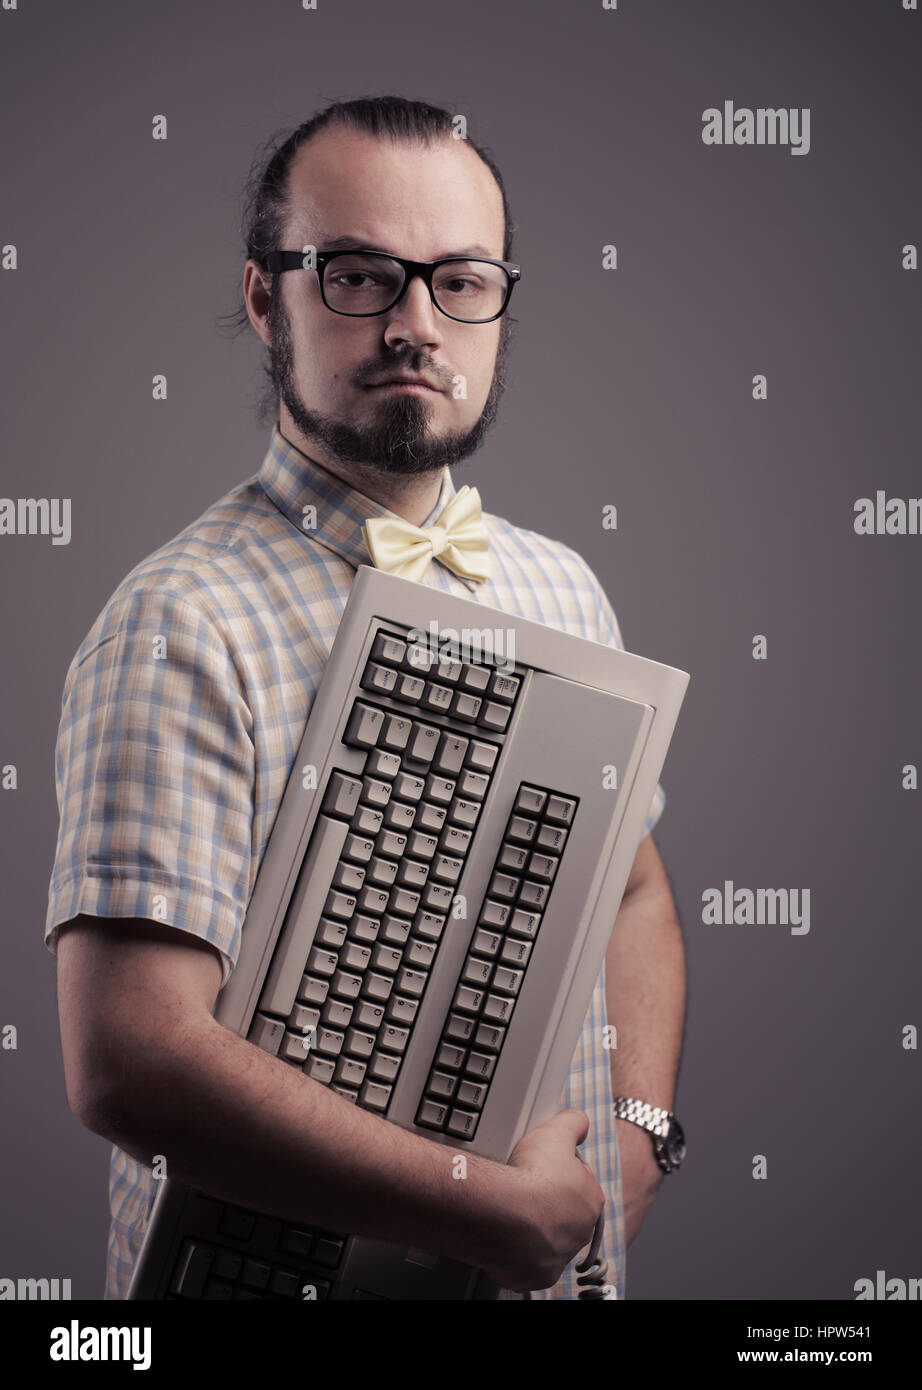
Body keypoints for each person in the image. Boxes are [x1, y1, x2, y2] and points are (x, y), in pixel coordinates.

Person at [45, 95, 686, 1301]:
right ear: (263, 299)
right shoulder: (178, 619)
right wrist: (481, 1203)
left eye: (461, 279)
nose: (414, 323)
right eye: (357, 275)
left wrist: (642, 1132)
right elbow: (130, 1061)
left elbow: (635, 882)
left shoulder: (563, 584)